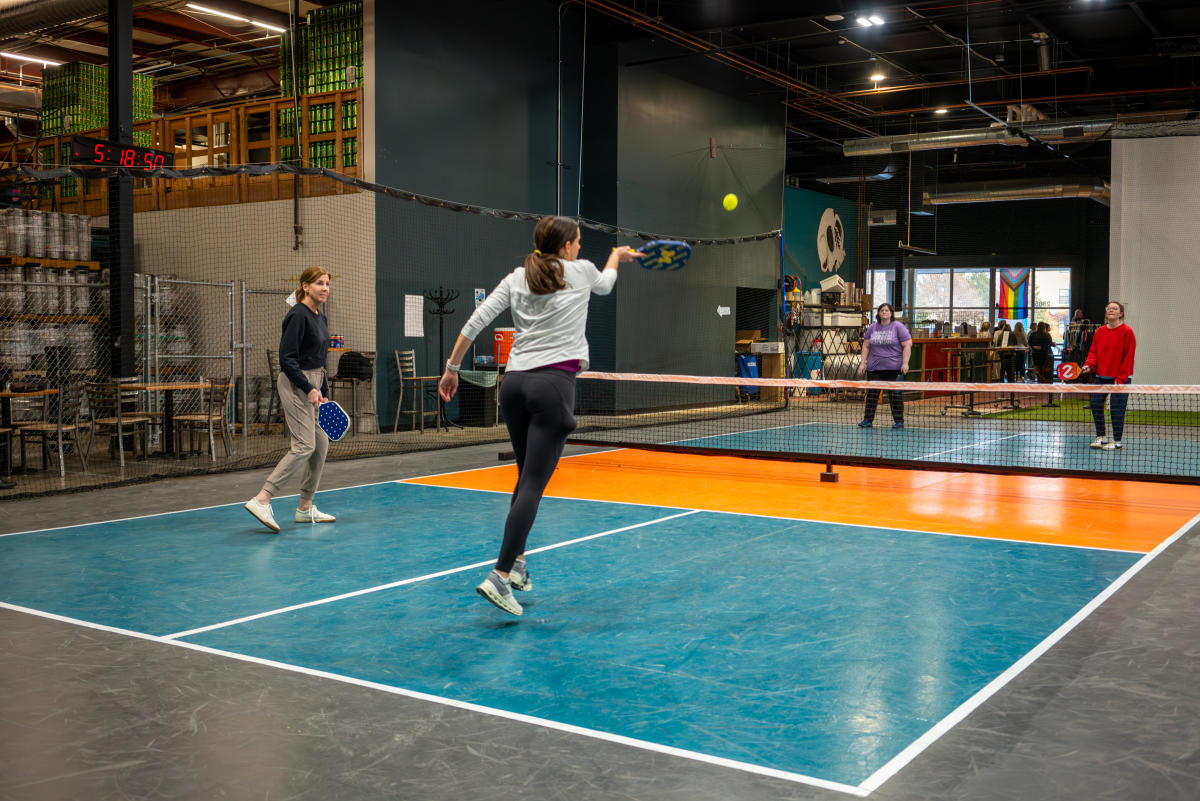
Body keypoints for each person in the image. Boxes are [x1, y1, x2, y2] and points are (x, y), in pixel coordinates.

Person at [439, 216, 639, 616]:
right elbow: (607, 283)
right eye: (578, 242)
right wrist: (616, 256)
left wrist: (451, 368)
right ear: (566, 247)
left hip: (512, 386)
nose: (580, 248)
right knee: (533, 484)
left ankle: (517, 564)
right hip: (552, 386)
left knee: (524, 476)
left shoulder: (517, 276)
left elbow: (475, 322)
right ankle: (499, 575)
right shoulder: (582, 272)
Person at [245, 266, 337, 531]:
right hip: (296, 383)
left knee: (320, 445)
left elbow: (321, 359)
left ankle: (305, 508)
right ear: (305, 286)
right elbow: (286, 359)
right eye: (319, 283)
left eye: (327, 284)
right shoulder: (298, 315)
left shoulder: (321, 316)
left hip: (315, 384)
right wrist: (308, 387)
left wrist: (325, 393)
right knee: (304, 445)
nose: (325, 288)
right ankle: (262, 499)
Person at [1081, 301, 1136, 450]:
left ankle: (1117, 441)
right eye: (1109, 308)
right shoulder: (1099, 332)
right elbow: (1093, 352)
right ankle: (1101, 437)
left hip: (1120, 378)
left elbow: (1128, 357)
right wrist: (1089, 365)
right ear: (1106, 312)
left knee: (1117, 409)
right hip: (1101, 376)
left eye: (1115, 308)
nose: (1111, 310)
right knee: (1096, 404)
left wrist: (1121, 378)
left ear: (1121, 314)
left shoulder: (1127, 331)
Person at [856, 302, 911, 429]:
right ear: (878, 313)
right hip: (874, 368)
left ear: (891, 313)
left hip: (894, 368)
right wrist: (862, 363)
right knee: (872, 394)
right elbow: (866, 346)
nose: (884, 312)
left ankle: (899, 421)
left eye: (887, 310)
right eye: (882, 310)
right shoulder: (872, 328)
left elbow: (907, 345)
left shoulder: (898, 327)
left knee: (895, 394)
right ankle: (867, 420)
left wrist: (905, 363)